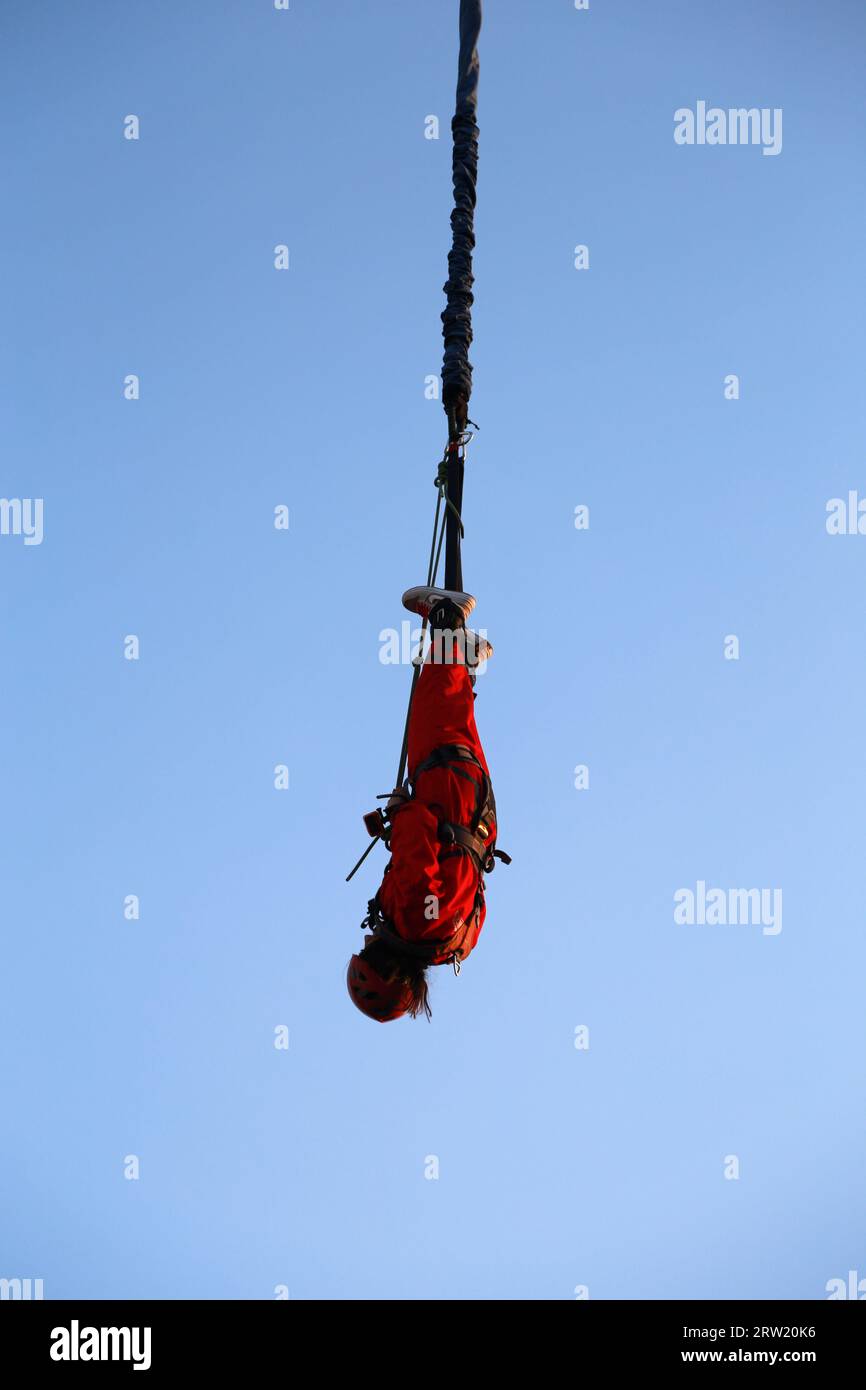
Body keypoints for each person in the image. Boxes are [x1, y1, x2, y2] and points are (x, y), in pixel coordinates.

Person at [347, 585, 507, 1023]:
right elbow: (417, 832)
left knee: (452, 714)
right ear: (380, 963)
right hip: (446, 792)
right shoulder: (412, 919)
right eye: (365, 954)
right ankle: (447, 618)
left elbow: (468, 892)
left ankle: (463, 659)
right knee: (431, 706)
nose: (365, 940)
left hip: (476, 811)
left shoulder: (452, 947)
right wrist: (399, 813)